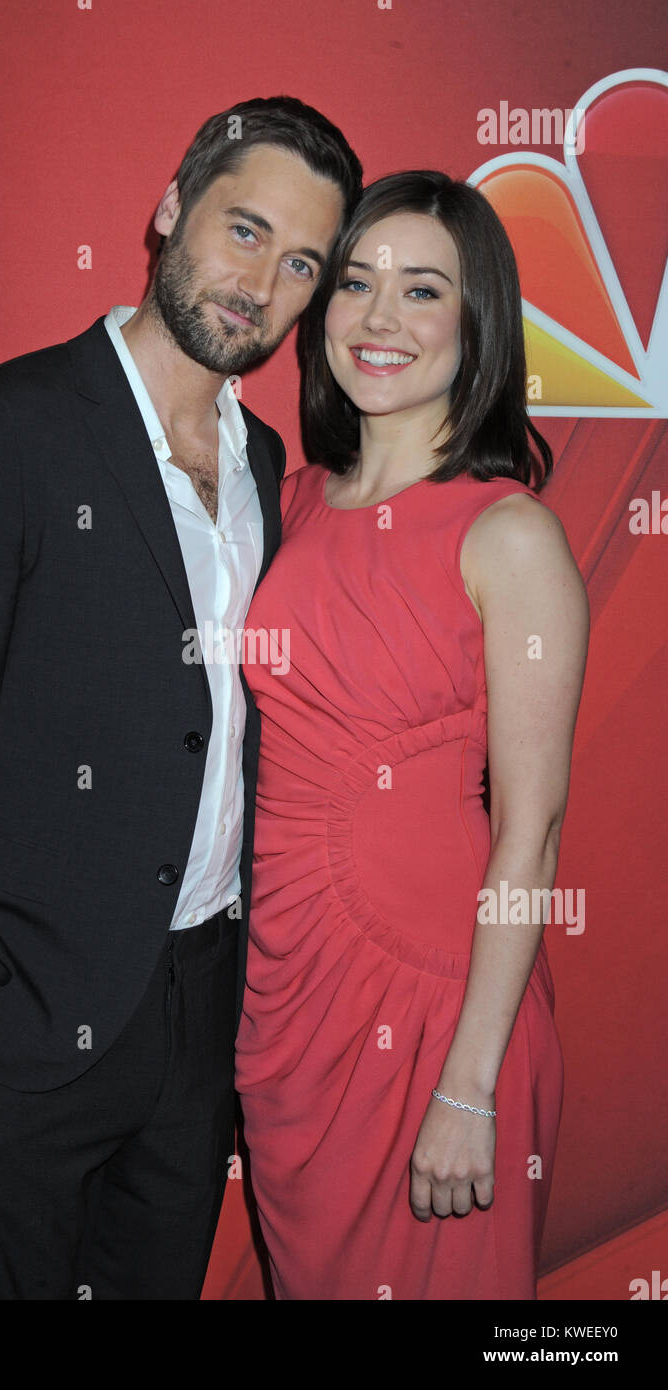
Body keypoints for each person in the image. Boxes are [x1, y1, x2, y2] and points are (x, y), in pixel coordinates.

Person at [0, 95, 361, 1300]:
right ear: (170, 207)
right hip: (21, 1022)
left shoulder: (260, 463)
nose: (263, 285)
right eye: (245, 231)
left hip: (199, 1019)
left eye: (301, 264)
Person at [234, 170, 589, 1300]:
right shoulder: (285, 501)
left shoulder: (510, 535)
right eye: (355, 282)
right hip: (288, 1009)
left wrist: (470, 1083)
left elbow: (530, 842)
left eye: (422, 289)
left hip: (438, 1009)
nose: (380, 318)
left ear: (476, 323)